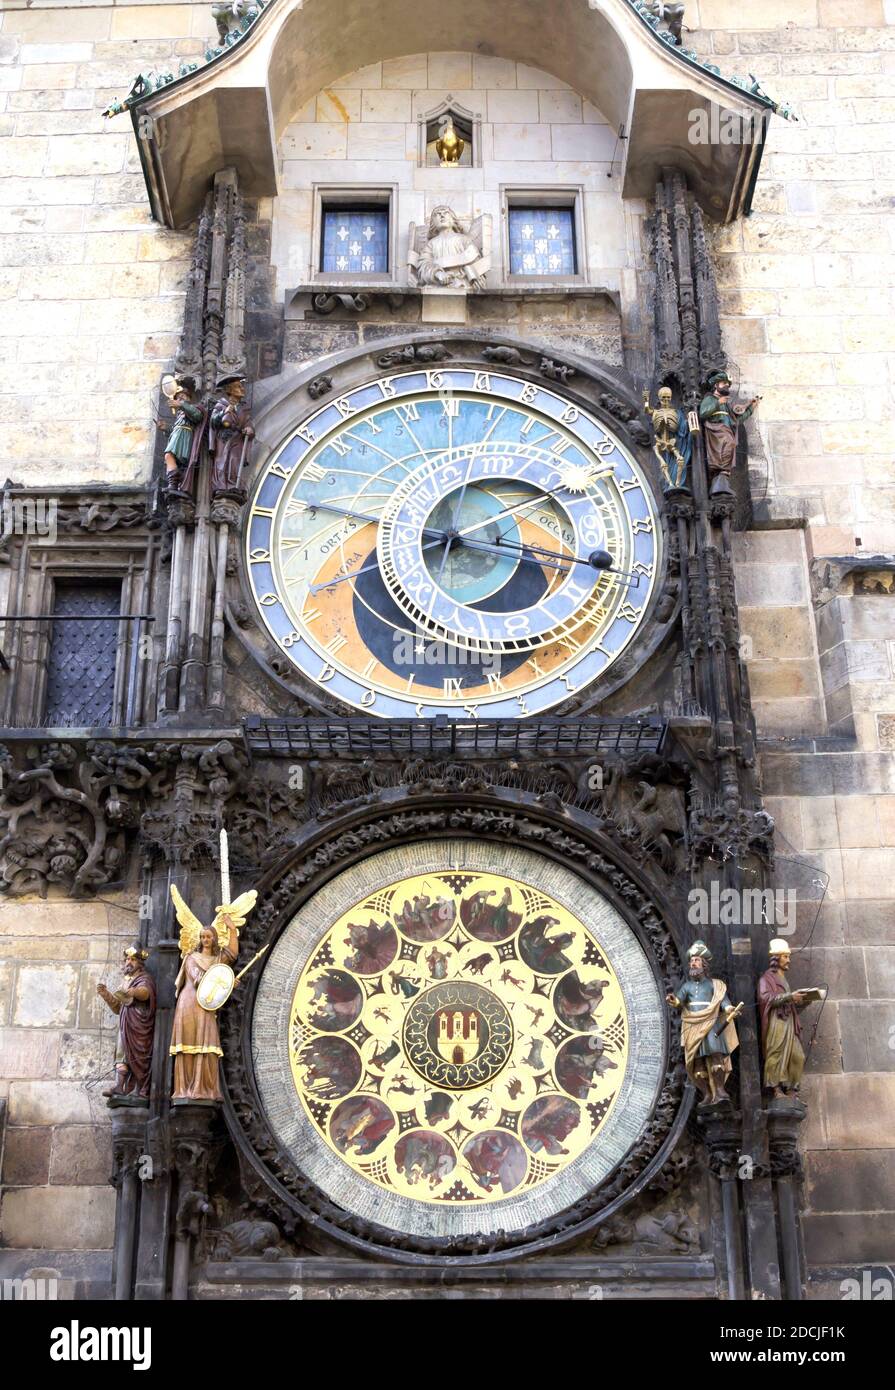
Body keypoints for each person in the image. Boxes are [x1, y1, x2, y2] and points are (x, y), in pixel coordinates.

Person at [168, 885, 257, 1101]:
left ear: (214, 939)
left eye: (209, 937)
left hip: (206, 1005)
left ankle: (204, 1088)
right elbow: (199, 980)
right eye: (203, 937)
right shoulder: (190, 958)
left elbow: (232, 954)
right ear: (199, 939)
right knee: (188, 1044)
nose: (206, 940)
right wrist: (225, 982)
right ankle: (185, 1089)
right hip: (190, 1002)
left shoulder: (217, 960)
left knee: (207, 1045)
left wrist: (231, 929)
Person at [667, 940, 741, 1105]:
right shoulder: (687, 986)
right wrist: (674, 1001)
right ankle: (707, 1093)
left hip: (711, 1023)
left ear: (704, 964)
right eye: (692, 961)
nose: (693, 963)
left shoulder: (714, 985)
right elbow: (679, 1001)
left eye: (696, 960)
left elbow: (722, 1000)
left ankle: (720, 1090)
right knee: (697, 1062)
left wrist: (728, 1009)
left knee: (716, 1056)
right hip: (693, 1024)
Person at [757, 937, 819, 1097]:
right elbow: (765, 998)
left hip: (789, 1022)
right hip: (777, 1022)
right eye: (785, 956)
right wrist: (789, 997)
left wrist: (804, 1001)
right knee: (775, 1053)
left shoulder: (783, 979)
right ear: (776, 958)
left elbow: (789, 1005)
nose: (788, 960)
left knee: (798, 1056)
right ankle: (776, 1089)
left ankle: (792, 1089)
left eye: (788, 956)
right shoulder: (766, 979)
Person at [97, 943, 156, 1099]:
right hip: (125, 1023)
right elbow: (118, 1008)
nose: (129, 962)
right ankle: (119, 1086)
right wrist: (106, 995)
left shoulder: (144, 978)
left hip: (139, 1023)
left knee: (138, 1056)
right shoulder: (126, 981)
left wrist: (133, 991)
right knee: (121, 1053)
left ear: (139, 963)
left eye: (133, 960)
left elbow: (145, 993)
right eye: (127, 959)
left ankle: (142, 1089)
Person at [698, 370, 760, 492]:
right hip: (715, 430)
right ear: (716, 385)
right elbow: (703, 413)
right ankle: (720, 470)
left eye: (727, 383)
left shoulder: (726, 404)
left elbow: (736, 420)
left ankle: (723, 471)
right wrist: (717, 403)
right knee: (728, 443)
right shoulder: (710, 399)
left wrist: (751, 408)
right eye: (723, 383)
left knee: (730, 444)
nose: (726, 385)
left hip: (727, 429)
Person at [209, 373, 254, 499]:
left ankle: (233, 484)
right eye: (239, 387)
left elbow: (248, 424)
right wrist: (224, 412)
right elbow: (213, 421)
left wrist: (249, 430)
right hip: (224, 439)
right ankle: (222, 485)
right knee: (222, 461)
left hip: (238, 440)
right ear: (229, 390)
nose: (242, 389)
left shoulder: (242, 410)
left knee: (235, 461)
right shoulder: (221, 405)